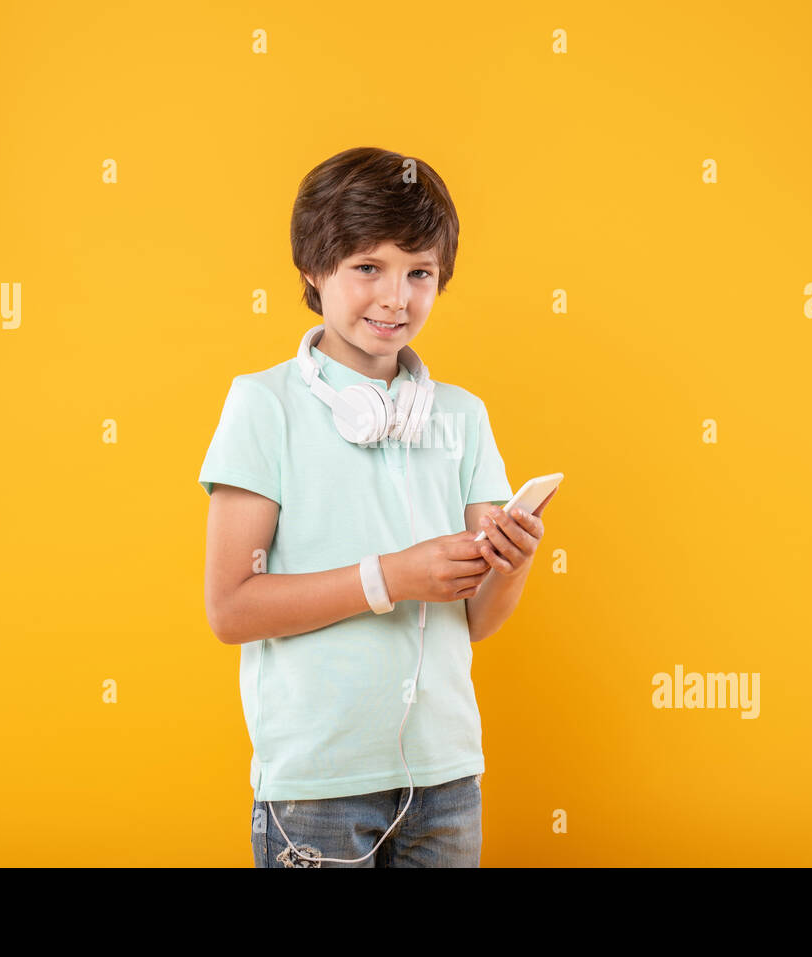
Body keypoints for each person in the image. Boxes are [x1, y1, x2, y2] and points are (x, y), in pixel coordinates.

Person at [198, 146, 557, 867]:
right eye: (369, 268)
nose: (397, 298)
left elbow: (477, 620)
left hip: (447, 778)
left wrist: (509, 568)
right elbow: (231, 608)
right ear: (313, 267)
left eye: (419, 273)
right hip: (318, 790)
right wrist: (391, 576)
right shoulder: (264, 406)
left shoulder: (462, 416)